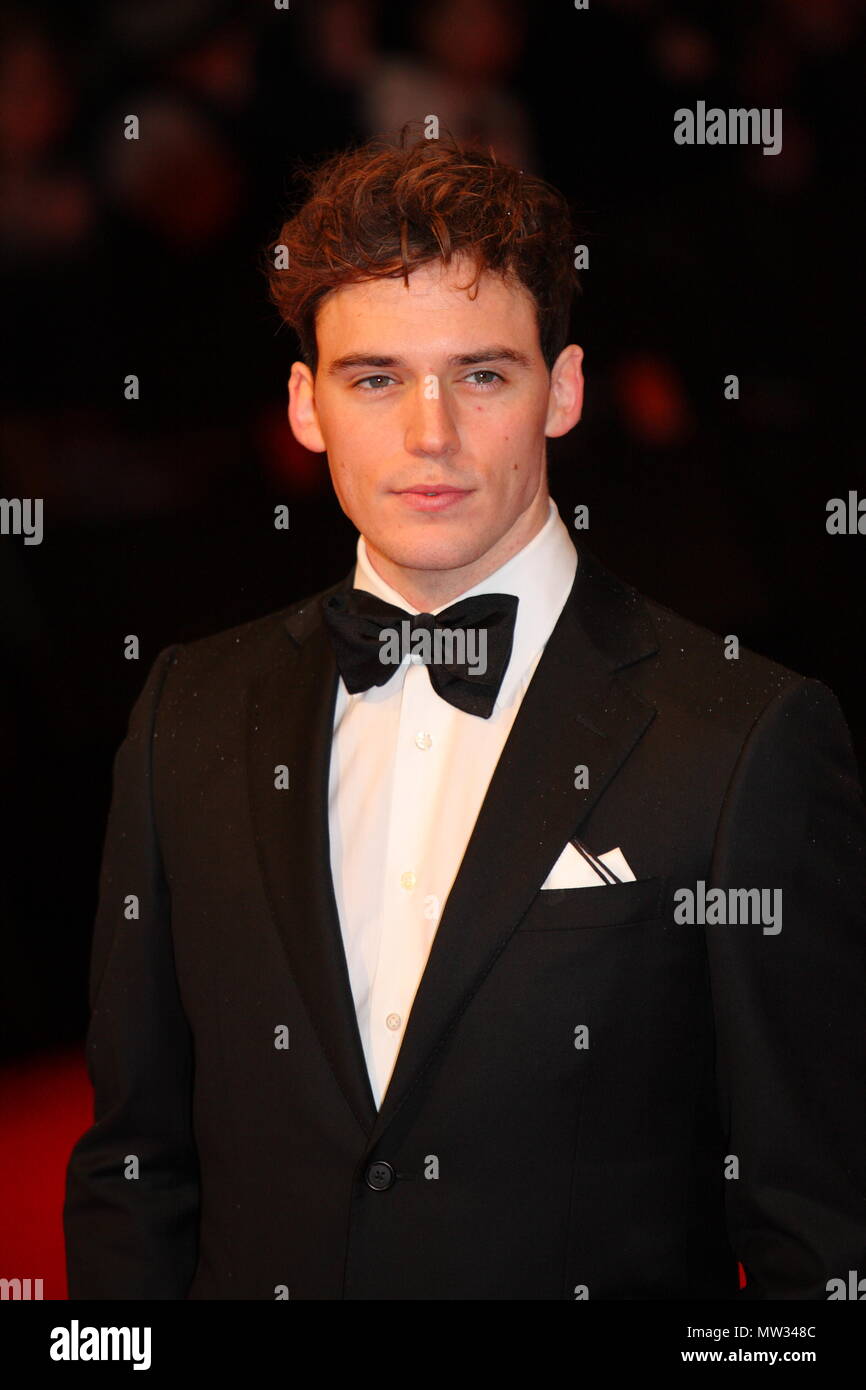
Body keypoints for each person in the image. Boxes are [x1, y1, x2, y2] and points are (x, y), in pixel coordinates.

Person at [64, 133, 866, 1300]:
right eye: (375, 377)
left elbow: (819, 1238)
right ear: (304, 404)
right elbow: (135, 1164)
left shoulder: (743, 738)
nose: (427, 432)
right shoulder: (190, 712)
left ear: (565, 389)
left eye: (481, 373)